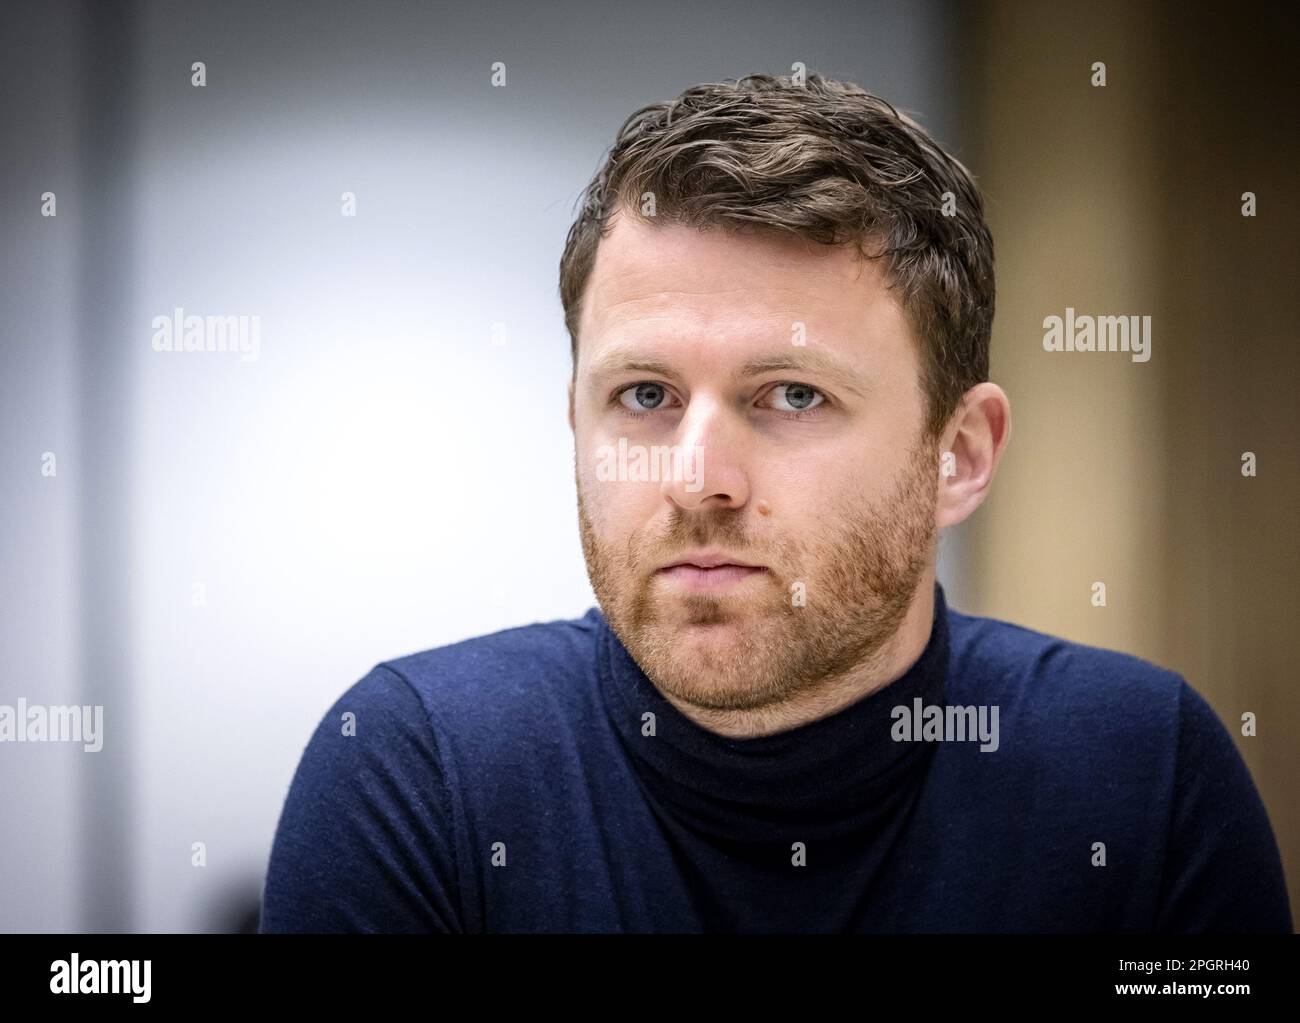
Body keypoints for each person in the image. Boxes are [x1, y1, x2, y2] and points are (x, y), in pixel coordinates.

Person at [259, 72, 1291, 933]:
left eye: (792, 396)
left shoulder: (1139, 773)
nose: (697, 478)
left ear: (959, 454)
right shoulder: (418, 774)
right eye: (644, 396)